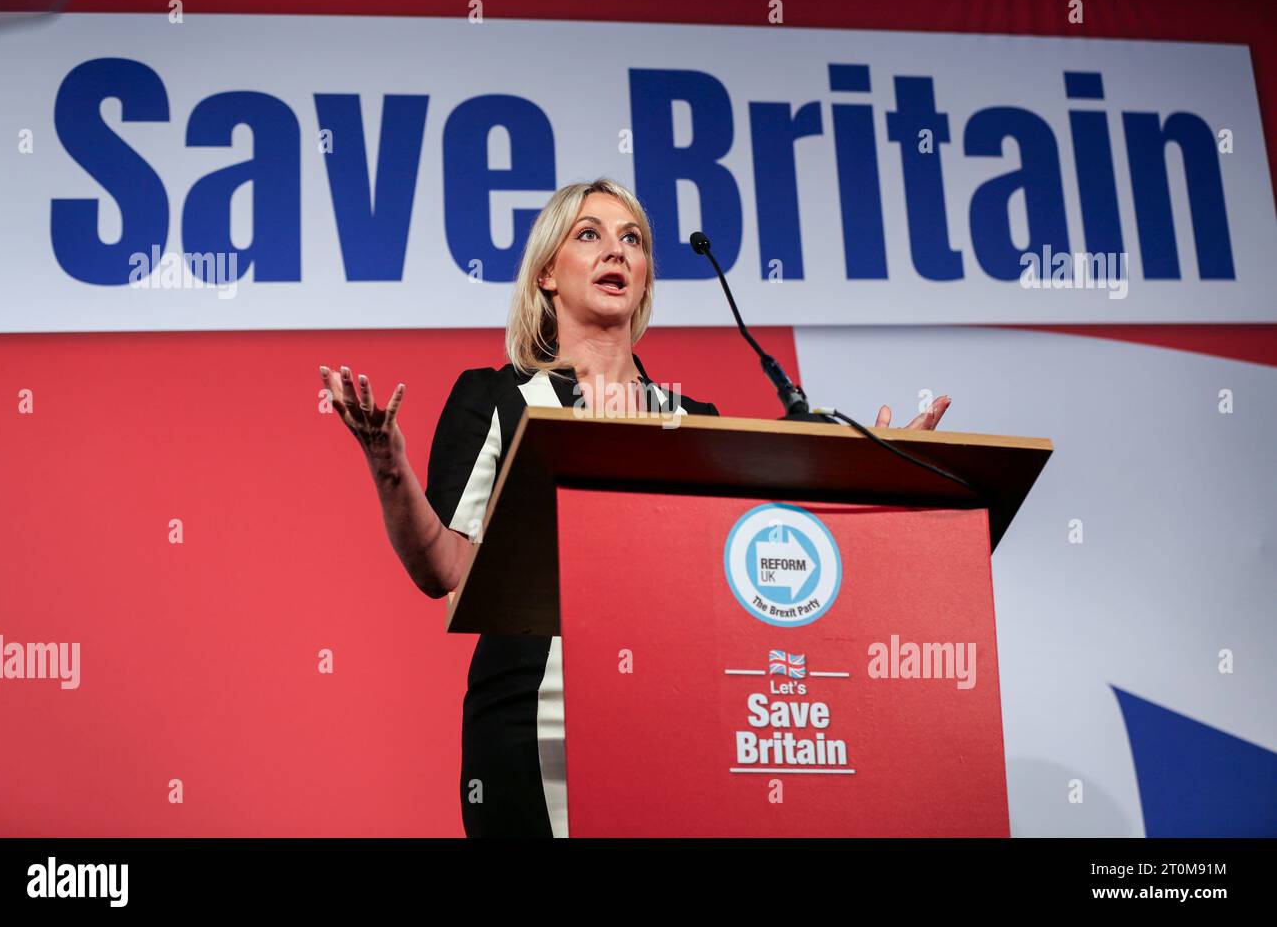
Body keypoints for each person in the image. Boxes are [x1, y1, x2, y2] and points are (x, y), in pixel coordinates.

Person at [319, 177, 951, 837]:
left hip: (676, 729)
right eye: (589, 235)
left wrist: (883, 477)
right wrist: (389, 469)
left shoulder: (695, 422)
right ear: (546, 277)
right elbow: (444, 569)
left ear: (645, 279)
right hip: (535, 731)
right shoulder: (495, 398)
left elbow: (759, 573)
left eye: (633, 241)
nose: (615, 252)